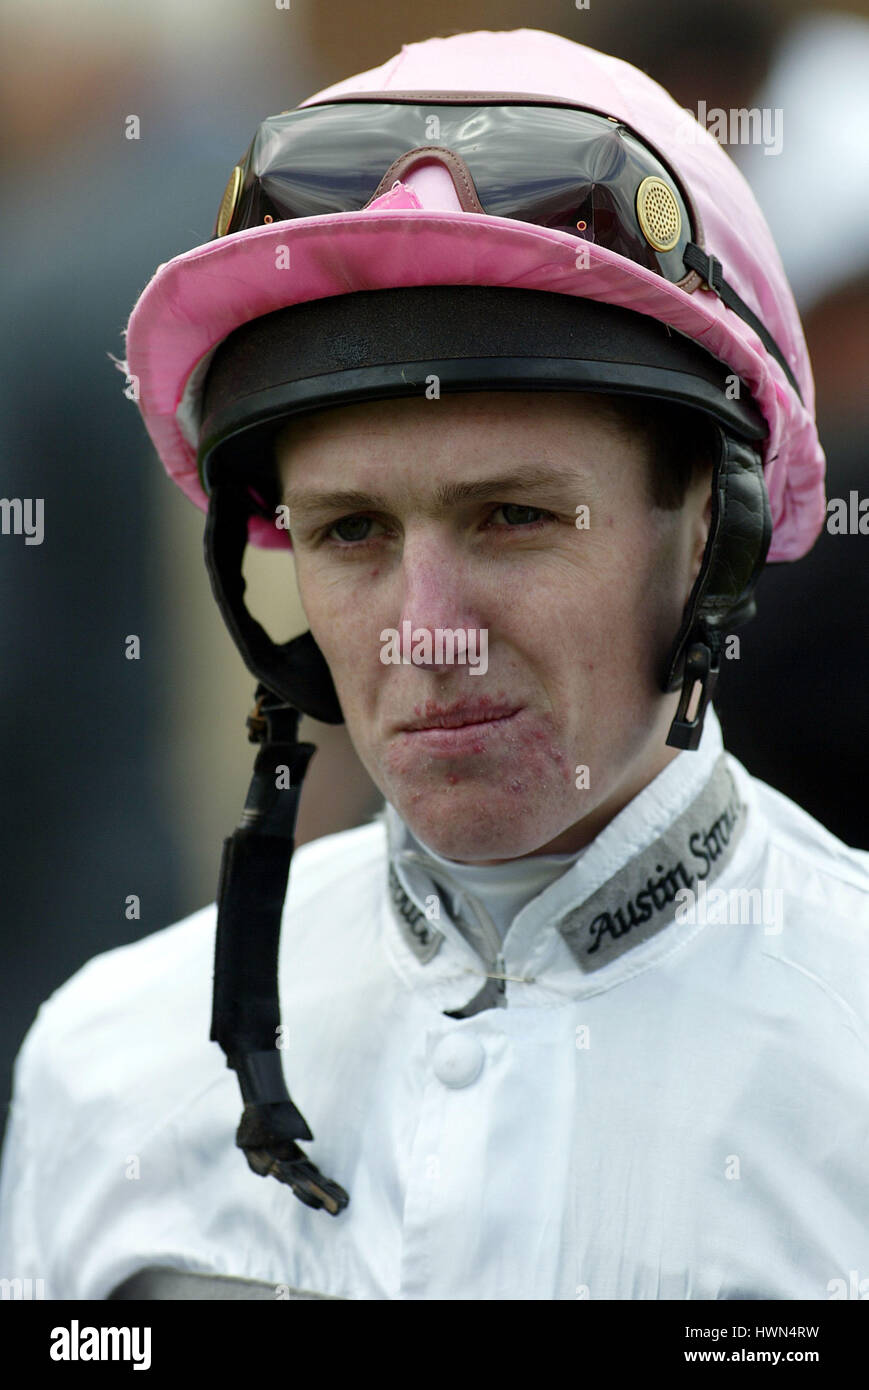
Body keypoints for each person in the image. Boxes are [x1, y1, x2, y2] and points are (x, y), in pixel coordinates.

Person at [1, 27, 867, 1303]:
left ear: (706, 530)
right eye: (349, 532)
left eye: (512, 518)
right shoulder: (102, 1060)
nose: (426, 630)